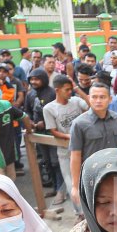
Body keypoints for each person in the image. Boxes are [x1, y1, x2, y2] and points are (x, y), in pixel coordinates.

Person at [68, 83, 117, 208]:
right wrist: (75, 186)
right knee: (95, 208)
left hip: (115, 172)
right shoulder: (79, 123)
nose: (98, 101)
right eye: (94, 97)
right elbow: (75, 156)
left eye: (102, 97)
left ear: (110, 99)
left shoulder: (116, 118)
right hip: (91, 176)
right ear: (89, 98)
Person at [42, 74, 89, 208]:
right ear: (57, 90)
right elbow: (53, 130)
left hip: (84, 149)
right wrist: (71, 136)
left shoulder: (75, 100)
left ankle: (89, 211)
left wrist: (78, 89)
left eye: (71, 89)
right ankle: (79, 213)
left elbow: (92, 106)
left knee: (86, 180)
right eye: (67, 90)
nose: (70, 92)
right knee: (71, 183)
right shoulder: (49, 108)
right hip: (65, 151)